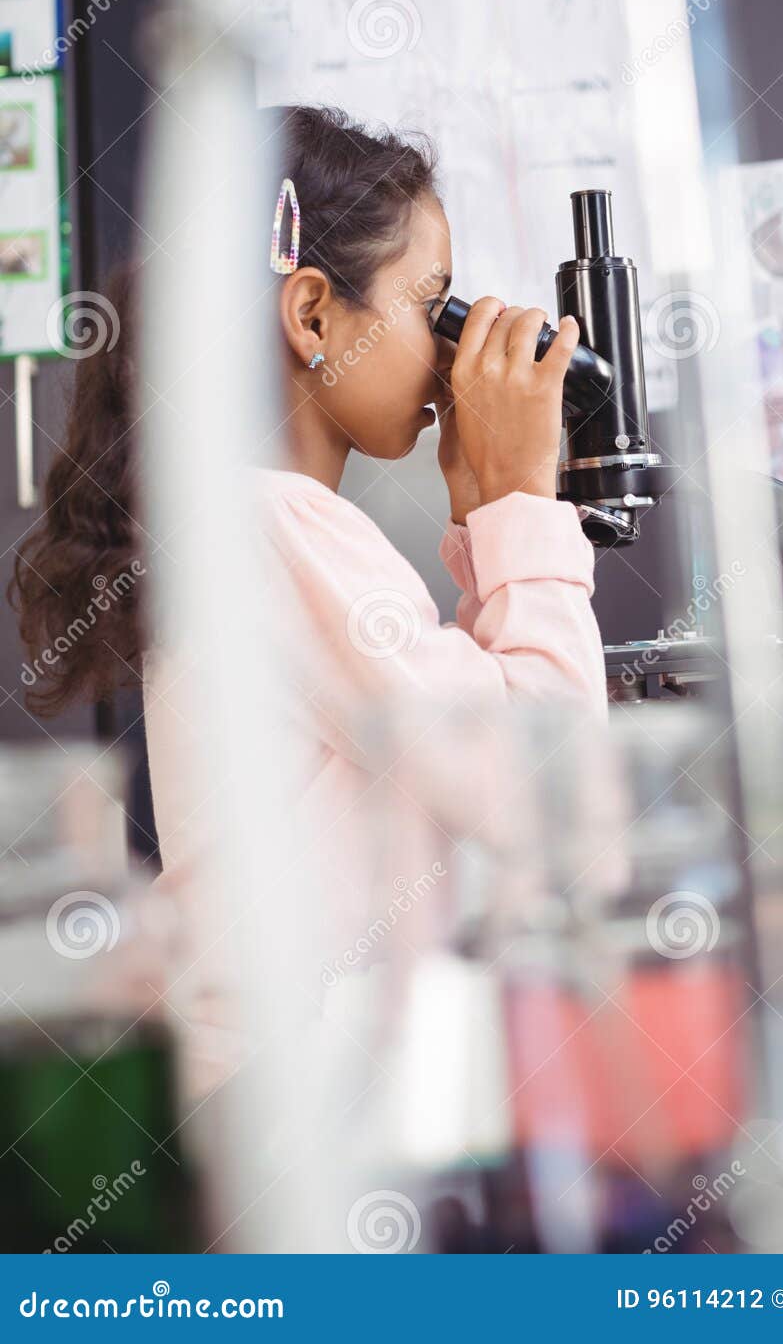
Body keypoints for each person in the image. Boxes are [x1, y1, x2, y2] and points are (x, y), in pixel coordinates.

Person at [11, 103, 608, 1091]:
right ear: (314, 315)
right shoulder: (281, 528)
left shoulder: (254, 526)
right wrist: (519, 503)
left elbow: (461, 750)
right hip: (291, 1101)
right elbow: (556, 801)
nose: (450, 350)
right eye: (433, 303)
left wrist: (484, 521)